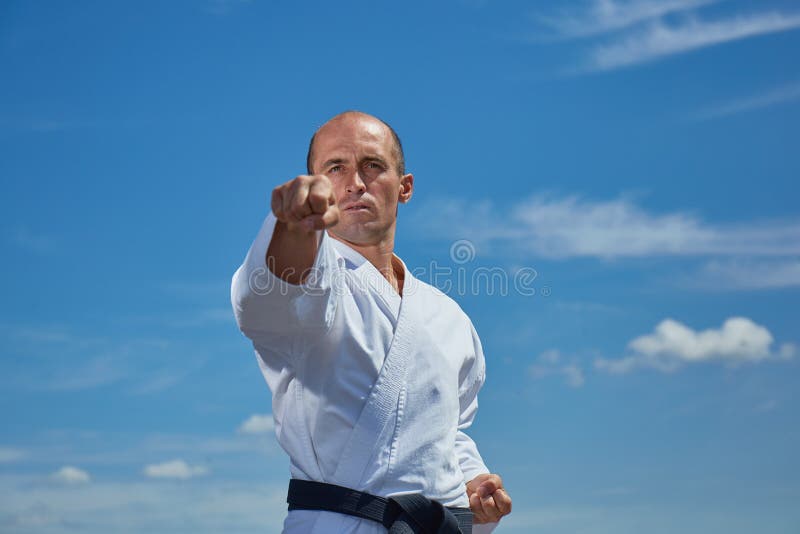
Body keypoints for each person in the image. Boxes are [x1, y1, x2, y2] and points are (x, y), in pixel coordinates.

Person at [230, 111, 512, 533]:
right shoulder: (315, 279)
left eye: (372, 166)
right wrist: (293, 227)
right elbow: (273, 295)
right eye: (335, 168)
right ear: (314, 185)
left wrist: (473, 485)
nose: (354, 183)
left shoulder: (449, 319)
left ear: (405, 188)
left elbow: (447, 433)